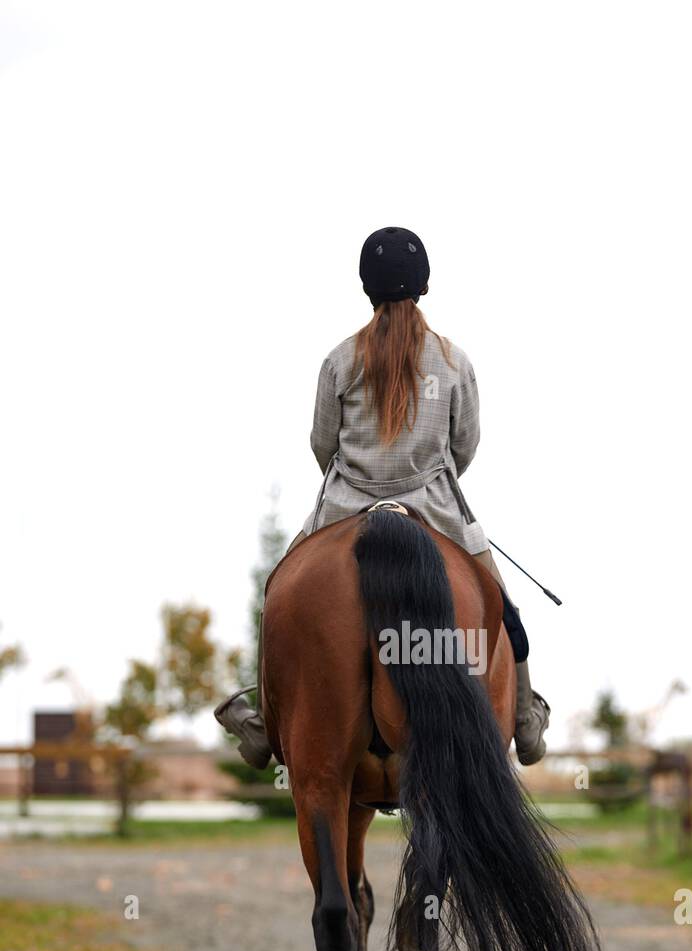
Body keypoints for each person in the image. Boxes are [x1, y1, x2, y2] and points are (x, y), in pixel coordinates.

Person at [215, 226, 550, 766]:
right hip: (435, 508)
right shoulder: (454, 362)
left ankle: (261, 726)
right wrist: (429, 482)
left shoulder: (339, 361)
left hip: (345, 505)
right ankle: (526, 718)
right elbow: (465, 444)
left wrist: (360, 484)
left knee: (278, 596)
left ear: (366, 287)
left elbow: (322, 444)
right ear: (424, 285)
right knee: (501, 604)